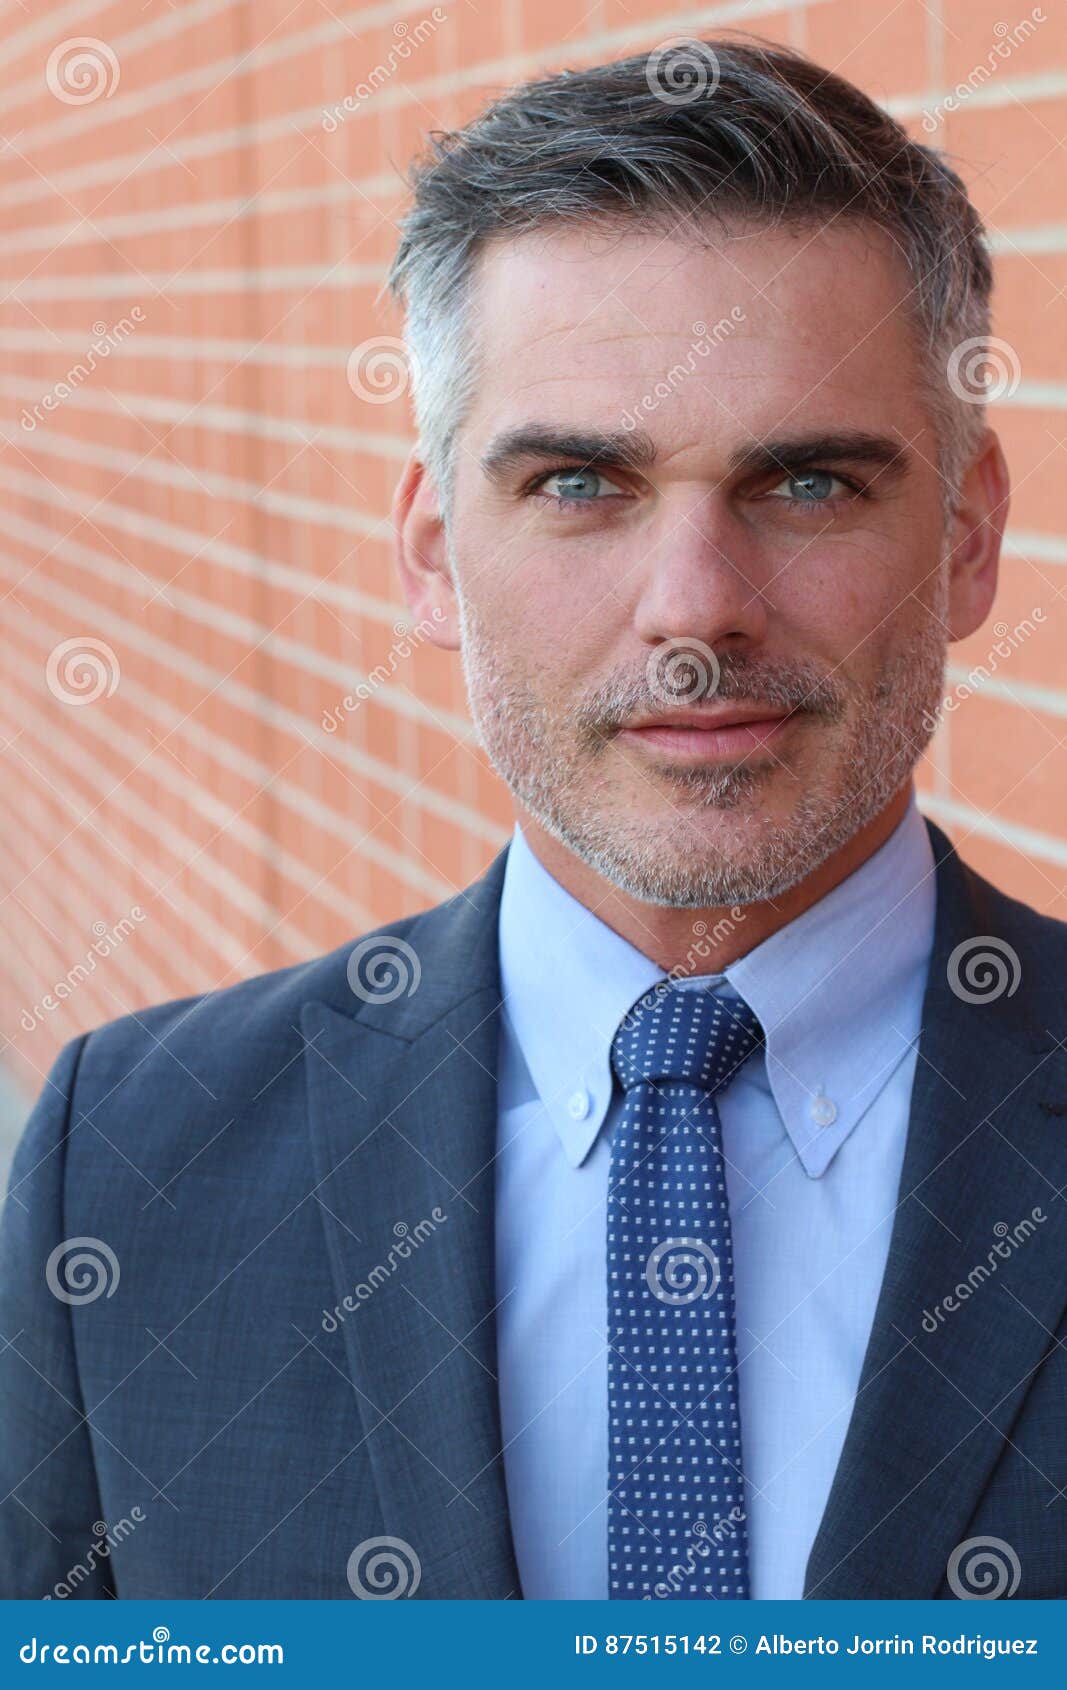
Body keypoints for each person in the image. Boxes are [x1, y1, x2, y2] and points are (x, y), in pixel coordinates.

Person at [2, 36, 1064, 1602]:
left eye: (808, 484)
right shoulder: (132, 1164)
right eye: (579, 483)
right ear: (433, 554)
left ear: (968, 538)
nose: (694, 609)